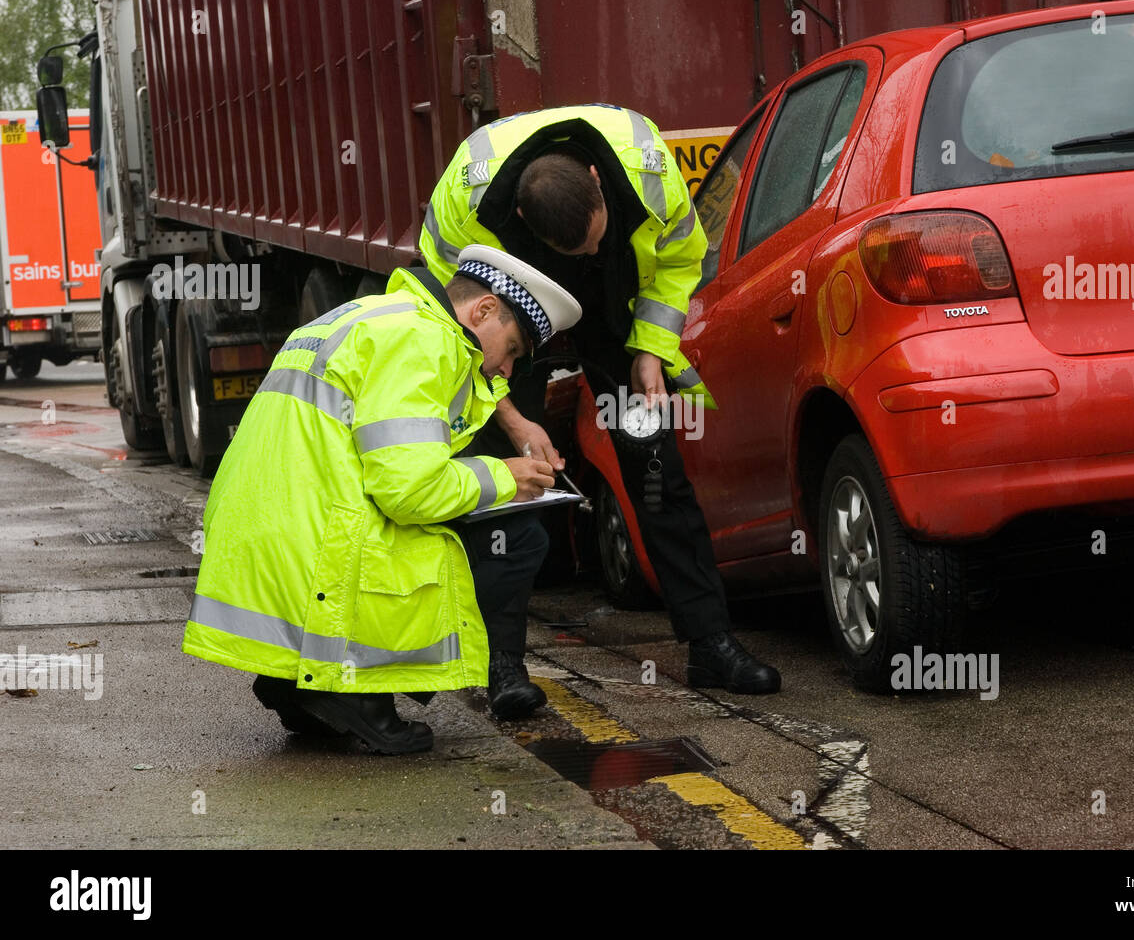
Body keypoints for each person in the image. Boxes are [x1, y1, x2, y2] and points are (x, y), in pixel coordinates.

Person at [421, 104, 782, 719]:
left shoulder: (647, 168)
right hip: (507, 324)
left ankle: (710, 644)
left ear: (596, 178)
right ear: (526, 226)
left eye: (598, 234)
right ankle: (501, 666)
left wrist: (647, 351)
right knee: (508, 486)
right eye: (576, 247)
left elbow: (678, 260)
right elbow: (454, 327)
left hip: (615, 305)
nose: (590, 250)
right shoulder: (466, 205)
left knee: (657, 473)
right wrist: (510, 415)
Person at [181, 246, 581, 754]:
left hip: (266, 529)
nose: (504, 369)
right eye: (513, 348)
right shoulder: (424, 341)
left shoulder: (378, 315)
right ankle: (362, 692)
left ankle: (297, 680)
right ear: (482, 311)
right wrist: (505, 476)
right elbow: (410, 492)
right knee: (491, 541)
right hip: (314, 541)